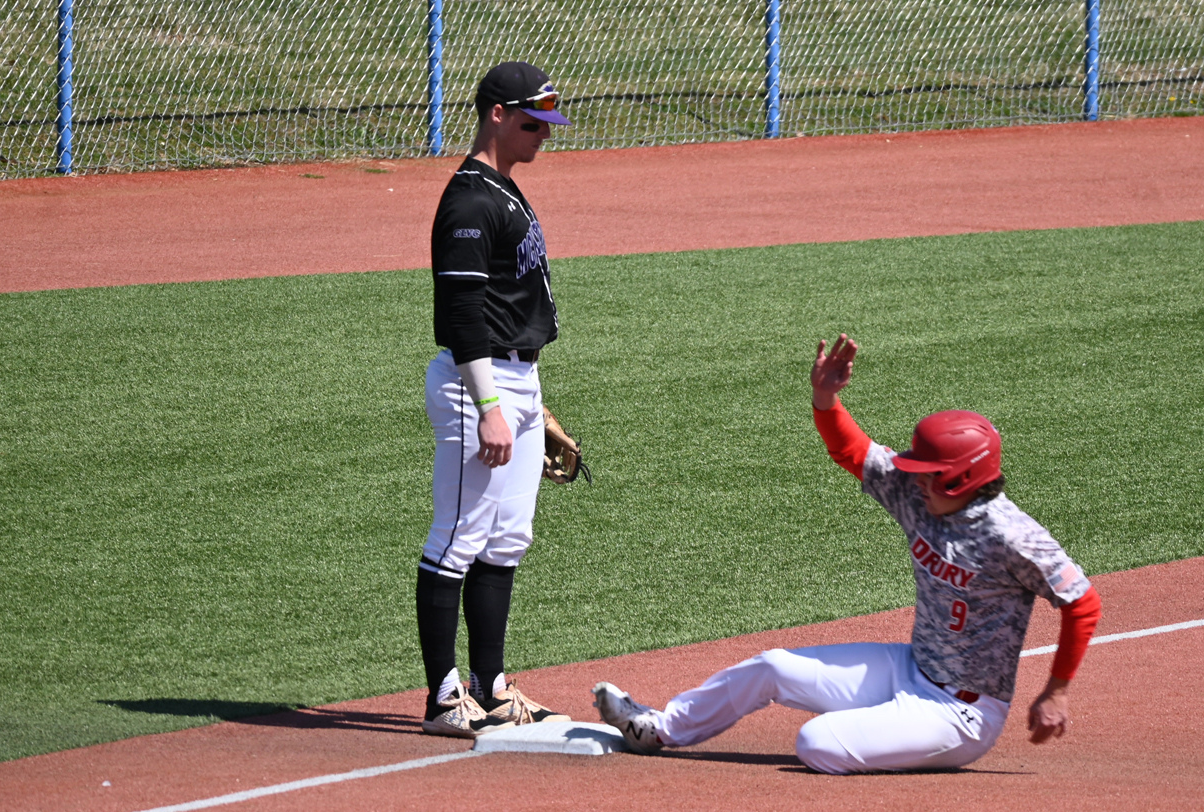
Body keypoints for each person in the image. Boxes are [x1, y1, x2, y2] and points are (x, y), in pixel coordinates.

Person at [593, 335, 1103, 773]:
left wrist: (1055, 691)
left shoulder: (1015, 537)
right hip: (909, 669)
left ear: (964, 479)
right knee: (771, 667)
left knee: (817, 743)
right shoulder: (917, 494)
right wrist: (825, 399)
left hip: (962, 713)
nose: (916, 479)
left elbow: (1082, 604)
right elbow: (853, 451)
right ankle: (658, 731)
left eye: (930, 473)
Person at [416, 61, 576, 737]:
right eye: (534, 121)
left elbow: (512, 307)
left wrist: (536, 408)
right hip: (473, 382)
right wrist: (489, 406)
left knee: (507, 539)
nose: (545, 133)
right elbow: (463, 314)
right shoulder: (470, 201)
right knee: (457, 538)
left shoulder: (503, 190)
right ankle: (443, 697)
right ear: (497, 115)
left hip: (515, 383)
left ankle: (490, 685)